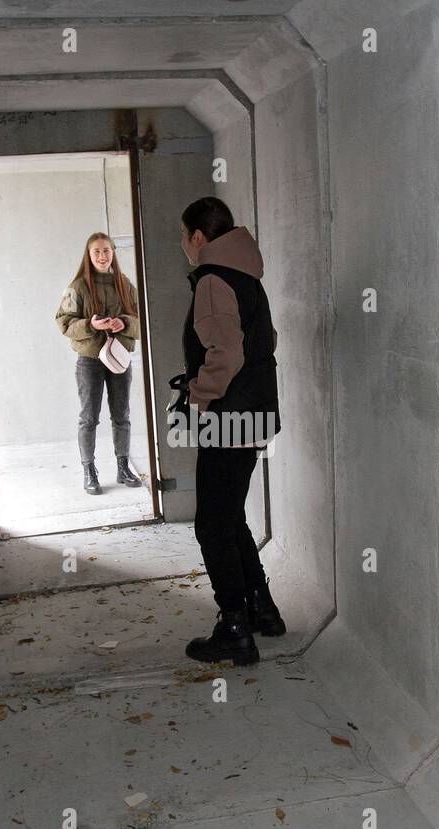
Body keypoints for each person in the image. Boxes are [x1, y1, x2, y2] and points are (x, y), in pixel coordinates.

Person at [176, 197, 286, 666]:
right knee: (229, 515)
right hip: (255, 410)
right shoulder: (246, 276)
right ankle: (261, 606)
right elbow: (267, 340)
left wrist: (198, 396)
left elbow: (226, 354)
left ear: (198, 237)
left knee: (211, 524)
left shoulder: (213, 279)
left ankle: (234, 628)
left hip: (229, 416)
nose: (184, 245)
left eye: (184, 236)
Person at [54, 233, 143, 494]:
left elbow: (140, 320)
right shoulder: (78, 286)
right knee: (89, 417)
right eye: (97, 252)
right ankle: (89, 470)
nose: (103, 256)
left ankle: (123, 466)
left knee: (121, 415)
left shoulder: (125, 284)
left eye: (107, 251)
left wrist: (123, 323)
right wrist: (90, 325)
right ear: (88, 255)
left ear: (113, 252)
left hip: (119, 358)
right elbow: (63, 322)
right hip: (90, 361)